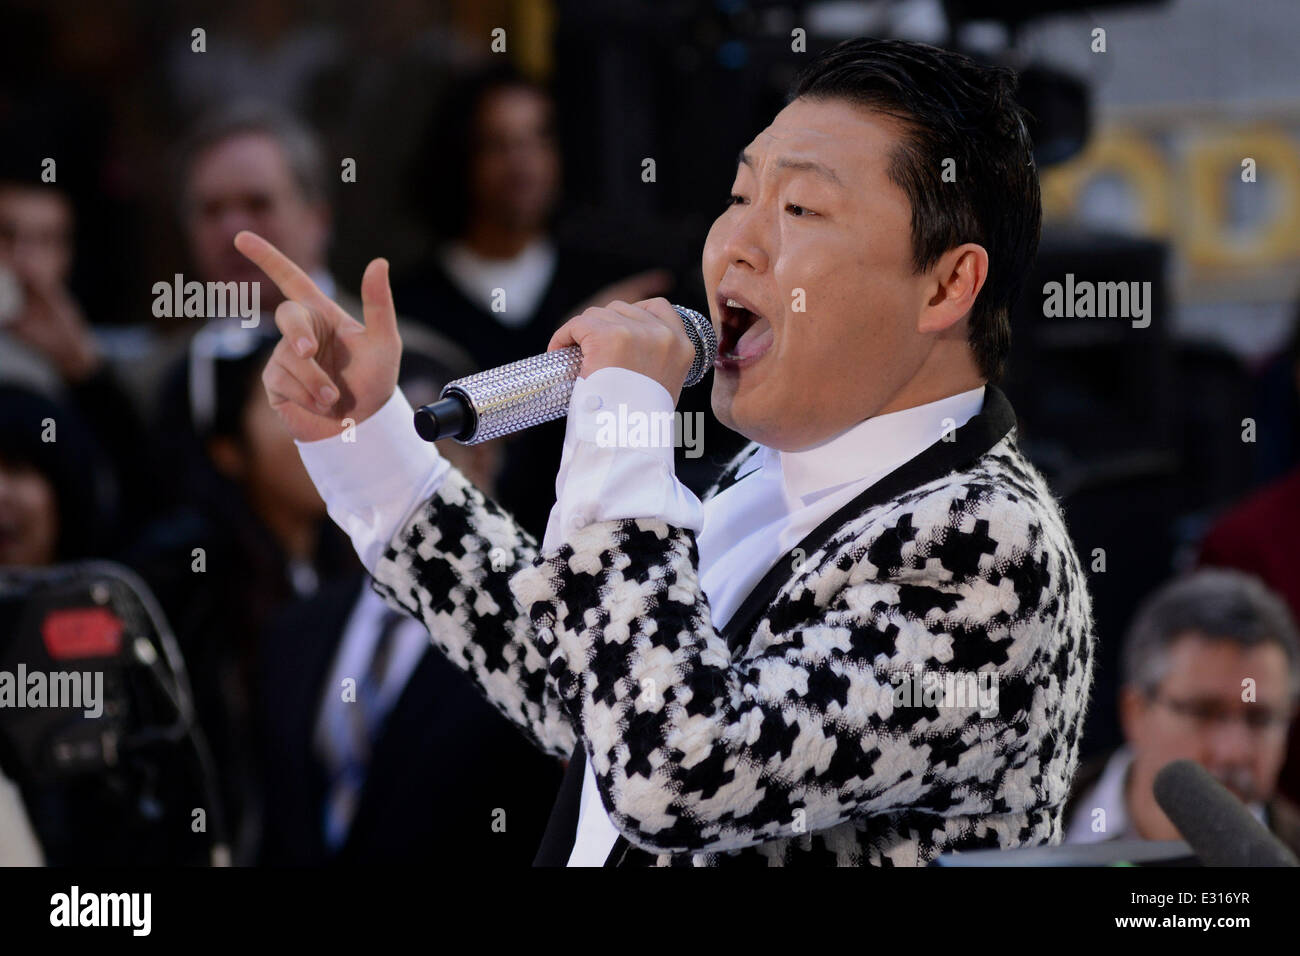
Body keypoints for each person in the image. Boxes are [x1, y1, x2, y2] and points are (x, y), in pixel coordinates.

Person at [236, 37, 1095, 867]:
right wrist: (372, 441)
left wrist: (622, 421)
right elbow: (592, 685)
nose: (736, 244)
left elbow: (677, 768)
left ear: (948, 284)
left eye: (799, 209)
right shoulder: (777, 470)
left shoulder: (989, 549)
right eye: (738, 196)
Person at [257, 348, 561, 866]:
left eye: (404, 446)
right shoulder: (297, 627)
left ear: (481, 454)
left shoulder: (551, 618)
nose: (378, 467)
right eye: (362, 445)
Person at [1063, 569, 1300, 854]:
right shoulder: (1015, 828)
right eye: (1203, 712)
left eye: (1260, 719)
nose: (1233, 751)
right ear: (1135, 712)